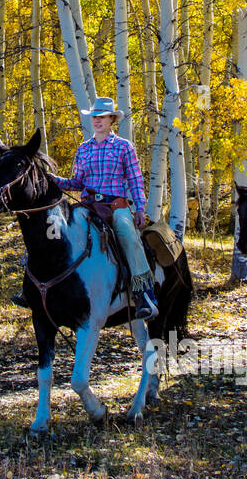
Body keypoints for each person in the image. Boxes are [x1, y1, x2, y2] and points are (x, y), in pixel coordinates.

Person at [13, 97, 159, 320]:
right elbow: (77, 182)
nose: (97, 121)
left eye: (102, 117)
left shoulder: (124, 147)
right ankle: (34, 288)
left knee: (128, 235)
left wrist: (139, 209)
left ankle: (143, 293)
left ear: (112, 119)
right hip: (87, 205)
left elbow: (135, 180)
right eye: (94, 117)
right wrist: (52, 179)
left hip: (116, 205)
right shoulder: (83, 149)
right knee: (53, 230)